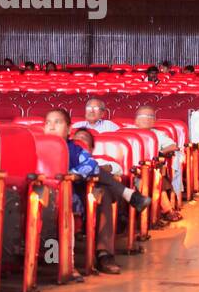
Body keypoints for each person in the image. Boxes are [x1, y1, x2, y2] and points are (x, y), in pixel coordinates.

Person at [44, 109, 148, 276]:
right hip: (46, 191)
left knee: (101, 191)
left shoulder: (77, 151)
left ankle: (98, 255)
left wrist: (75, 174)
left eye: (58, 122)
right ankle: (129, 195)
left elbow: (93, 166)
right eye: (48, 122)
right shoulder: (38, 145)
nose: (51, 126)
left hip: (76, 192)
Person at [135, 106, 183, 222]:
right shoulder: (127, 133)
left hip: (149, 166)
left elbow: (173, 146)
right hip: (131, 166)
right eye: (142, 116)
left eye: (150, 117)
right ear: (135, 120)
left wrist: (158, 153)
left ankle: (167, 210)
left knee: (154, 176)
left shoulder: (158, 134)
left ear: (154, 120)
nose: (146, 119)